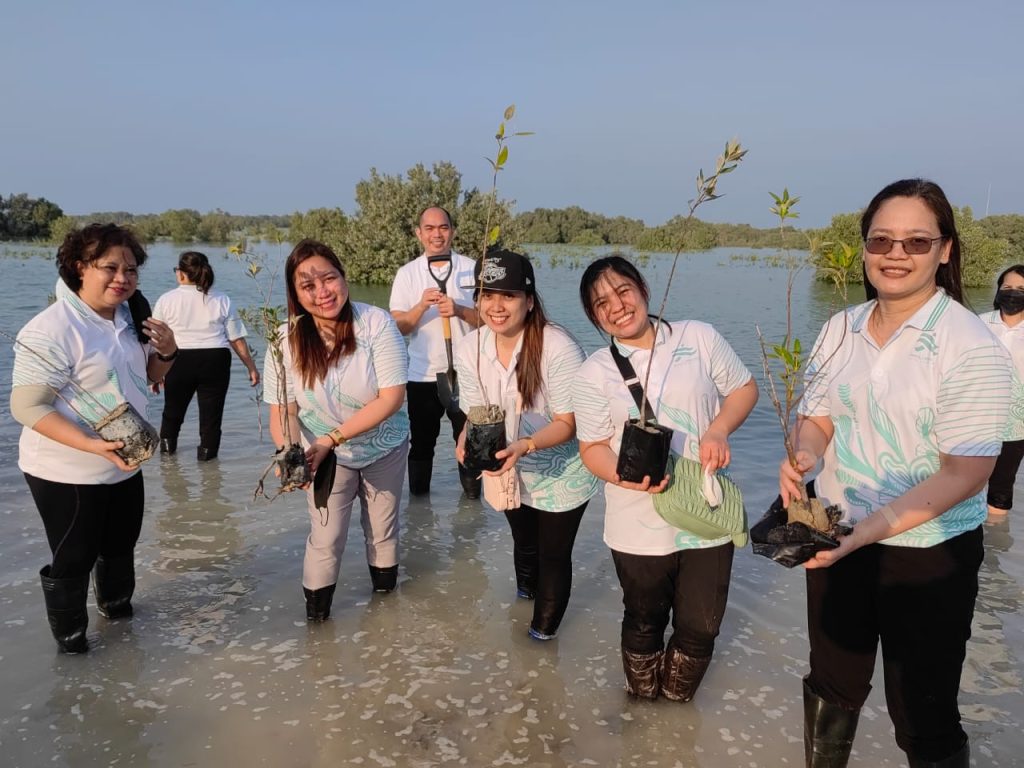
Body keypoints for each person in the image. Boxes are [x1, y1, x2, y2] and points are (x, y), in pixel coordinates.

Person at [778, 179, 1012, 768]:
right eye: (882, 240)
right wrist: (803, 454)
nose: (896, 254)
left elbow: (966, 472)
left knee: (923, 713)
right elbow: (818, 419)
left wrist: (868, 530)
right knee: (833, 682)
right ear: (863, 249)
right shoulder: (841, 329)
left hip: (927, 551)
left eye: (915, 241)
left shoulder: (970, 344)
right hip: (837, 533)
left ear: (945, 250)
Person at [571, 255, 758, 701]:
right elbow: (591, 448)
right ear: (594, 317)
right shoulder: (594, 371)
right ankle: (642, 716)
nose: (616, 306)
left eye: (622, 291)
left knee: (701, 627)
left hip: (705, 506)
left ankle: (675, 713)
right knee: (643, 619)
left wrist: (719, 428)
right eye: (601, 304)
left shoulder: (698, 337)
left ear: (643, 289)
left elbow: (744, 389)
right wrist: (625, 478)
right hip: (636, 522)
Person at [10, 223, 179, 653]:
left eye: (131, 268)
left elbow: (151, 378)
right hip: (67, 469)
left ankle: (119, 622)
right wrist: (91, 446)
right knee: (74, 558)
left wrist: (169, 351)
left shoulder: (131, 315)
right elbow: (27, 408)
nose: (123, 277)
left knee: (121, 545)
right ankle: (73, 650)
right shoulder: (52, 329)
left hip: (125, 461)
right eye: (110, 267)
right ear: (78, 268)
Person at [453, 250, 599, 640]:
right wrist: (465, 437)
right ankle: (524, 598)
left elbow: (570, 424)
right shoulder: (471, 348)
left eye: (508, 296)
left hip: (561, 470)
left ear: (529, 301)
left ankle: (540, 639)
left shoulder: (558, 346)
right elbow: (473, 411)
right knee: (524, 541)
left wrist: (525, 446)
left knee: (553, 555)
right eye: (486, 295)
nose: (495, 307)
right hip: (506, 465)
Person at [264, 239, 409, 621]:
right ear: (295, 294)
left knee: (382, 530)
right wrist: (289, 454)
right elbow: (283, 410)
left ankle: (385, 621)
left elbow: (392, 397)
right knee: (326, 539)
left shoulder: (376, 323)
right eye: (308, 286)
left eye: (328, 278)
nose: (322, 292)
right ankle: (317, 629)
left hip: (384, 446)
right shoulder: (284, 339)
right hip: (321, 455)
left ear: (343, 276)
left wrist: (332, 438)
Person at [390, 206, 481, 497]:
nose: (436, 234)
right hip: (422, 374)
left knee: (471, 442)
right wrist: (420, 306)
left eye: (443, 227)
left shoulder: (473, 268)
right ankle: (418, 512)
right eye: (429, 228)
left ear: (452, 231)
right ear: (419, 234)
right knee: (421, 445)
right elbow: (397, 327)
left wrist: (459, 310)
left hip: (467, 373)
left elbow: (491, 320)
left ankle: (472, 511)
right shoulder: (407, 274)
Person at [152, 250, 260, 461]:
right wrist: (251, 367)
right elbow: (236, 338)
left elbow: (157, 338)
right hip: (215, 360)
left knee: (172, 414)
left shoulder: (167, 300)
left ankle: (167, 464)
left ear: (182, 274)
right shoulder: (222, 299)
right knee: (211, 419)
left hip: (178, 359)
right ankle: (209, 470)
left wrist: (155, 372)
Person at [979, 264, 1024, 516]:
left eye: (1021, 289)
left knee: (1000, 489)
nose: (1013, 293)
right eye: (1007, 288)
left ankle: (994, 546)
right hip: (974, 419)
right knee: (963, 482)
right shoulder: (977, 323)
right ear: (998, 292)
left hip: (1016, 425)